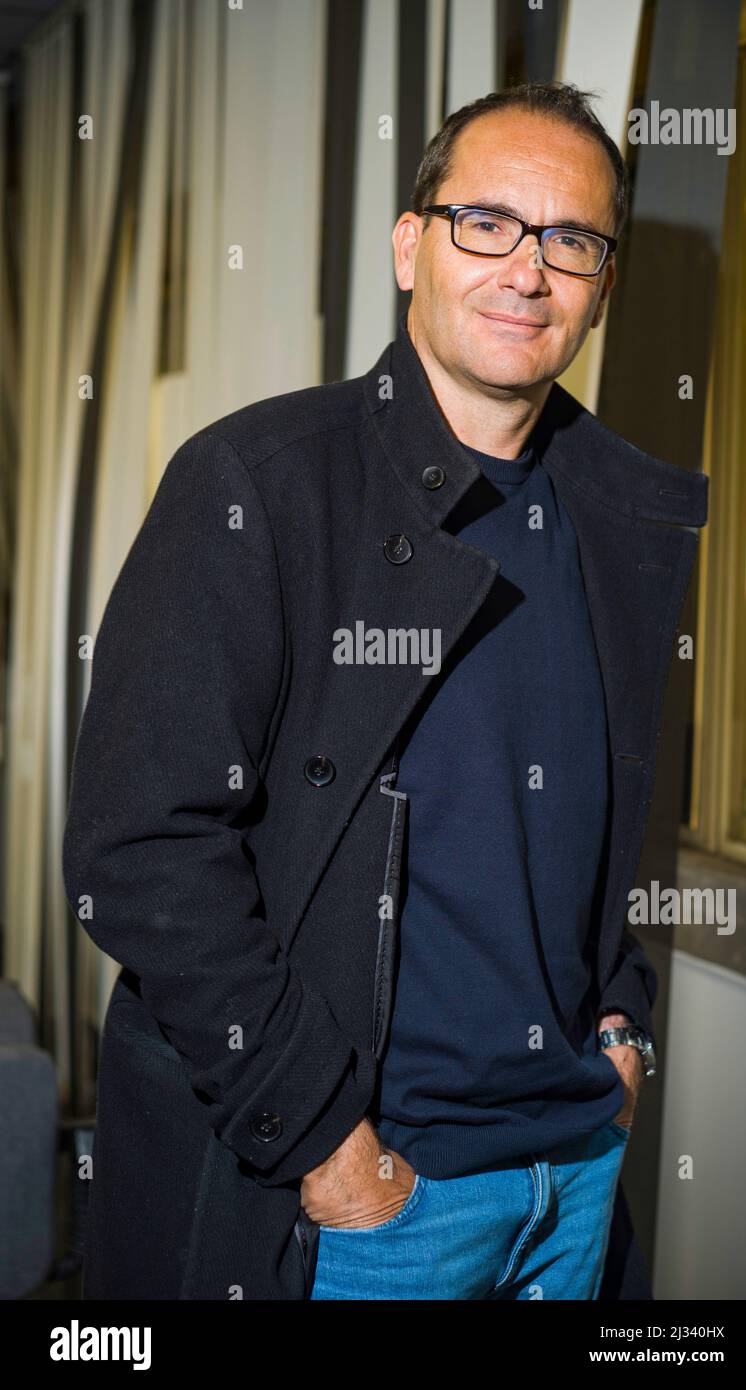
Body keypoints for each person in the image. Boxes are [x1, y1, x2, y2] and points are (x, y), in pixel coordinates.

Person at [62, 81, 707, 1302]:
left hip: (568, 1180)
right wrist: (324, 1146)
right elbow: (137, 849)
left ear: (602, 284)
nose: (529, 269)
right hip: (375, 1202)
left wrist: (621, 1031)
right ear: (411, 245)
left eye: (572, 240)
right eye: (488, 223)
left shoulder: (617, 517)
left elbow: (593, 831)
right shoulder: (257, 484)